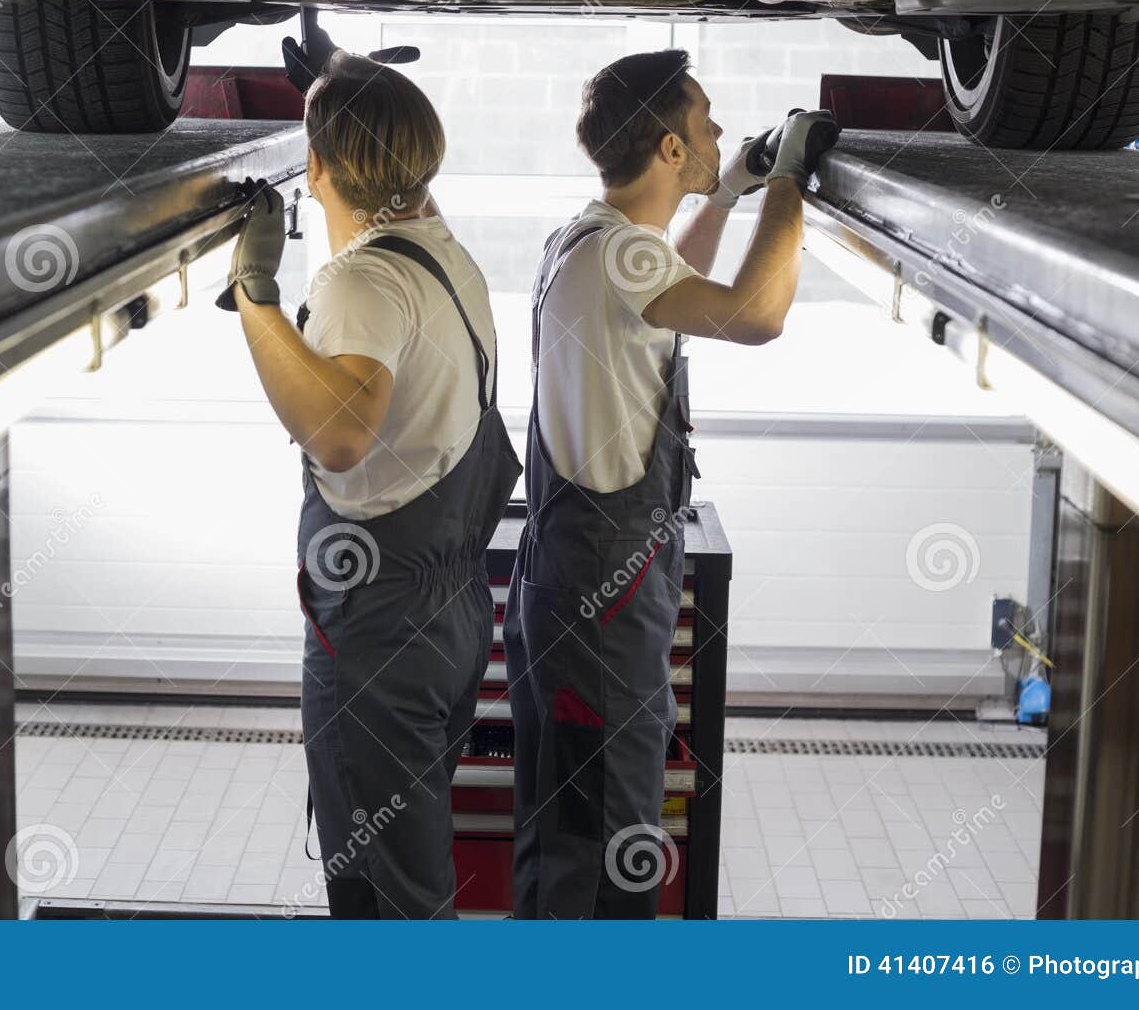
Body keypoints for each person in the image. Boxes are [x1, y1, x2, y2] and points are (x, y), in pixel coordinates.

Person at [503, 48, 837, 918]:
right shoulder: (620, 258)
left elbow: (669, 270)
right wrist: (789, 183)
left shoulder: (591, 239)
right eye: (705, 121)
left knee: (563, 826)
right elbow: (755, 313)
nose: (721, 130)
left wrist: (727, 191)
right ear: (667, 149)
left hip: (564, 578)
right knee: (609, 837)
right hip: (602, 605)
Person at [217, 50, 520, 918]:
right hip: (453, 610)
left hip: (380, 629)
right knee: (405, 856)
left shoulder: (360, 282)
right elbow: (401, 179)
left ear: (314, 167)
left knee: (388, 893)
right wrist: (347, 83)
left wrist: (255, 297)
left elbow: (342, 435)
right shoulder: (440, 252)